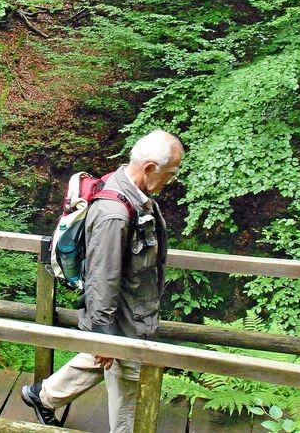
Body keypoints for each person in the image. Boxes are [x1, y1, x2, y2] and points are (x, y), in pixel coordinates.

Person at [21, 130, 183, 432]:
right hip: (123, 323)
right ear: (149, 168)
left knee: (100, 361)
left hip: (131, 312)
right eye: (171, 172)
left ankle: (42, 396)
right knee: (129, 397)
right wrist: (105, 338)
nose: (172, 179)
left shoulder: (132, 192)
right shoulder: (114, 215)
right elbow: (101, 278)